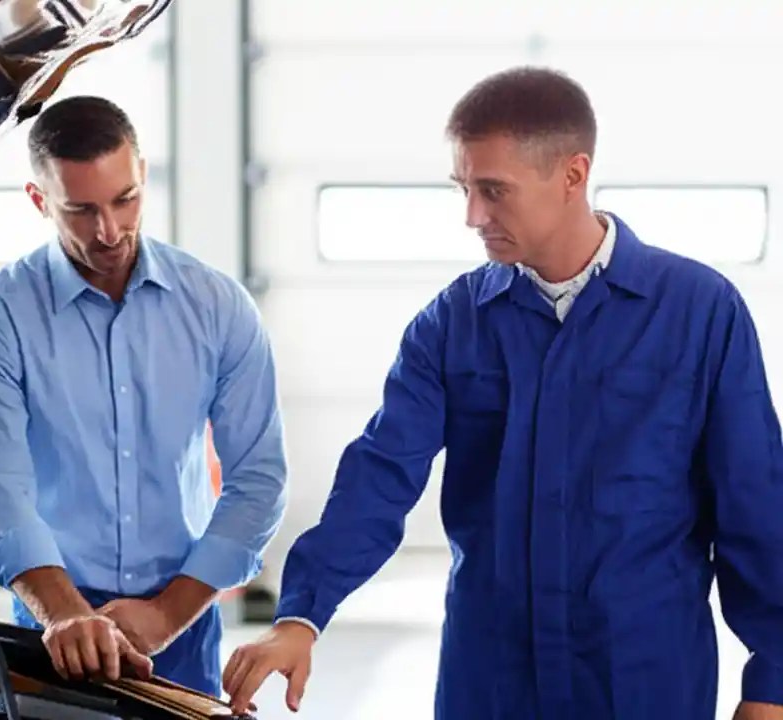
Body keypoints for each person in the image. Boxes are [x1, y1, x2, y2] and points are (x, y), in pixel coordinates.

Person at [222, 66, 783, 720]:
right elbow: (380, 474)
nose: (471, 216)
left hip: (640, 677)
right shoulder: (453, 323)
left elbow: (754, 502)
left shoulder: (698, 313)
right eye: (464, 188)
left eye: (493, 191)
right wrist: (302, 615)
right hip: (490, 680)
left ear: (572, 175)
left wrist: (770, 682)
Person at [0, 95, 288, 696]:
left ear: (143, 178)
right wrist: (65, 613)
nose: (108, 231)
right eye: (80, 210)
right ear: (39, 201)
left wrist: (166, 614)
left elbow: (258, 477)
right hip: (54, 622)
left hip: (183, 618)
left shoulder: (218, 307)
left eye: (124, 200)